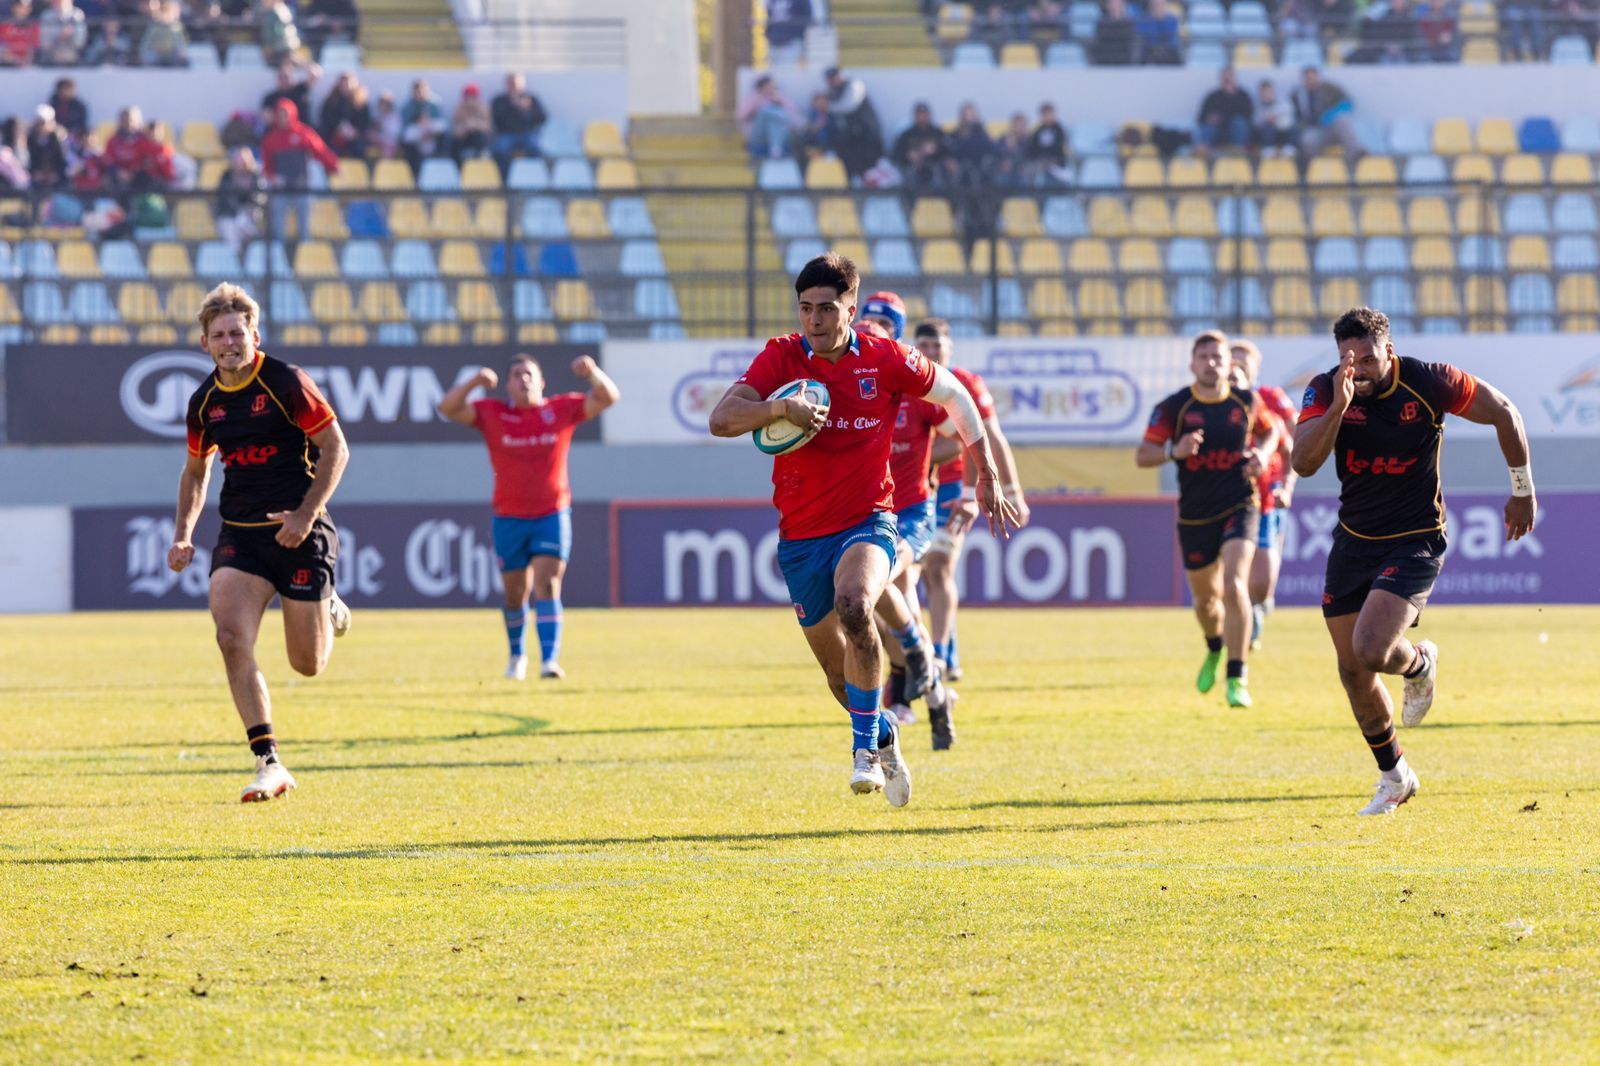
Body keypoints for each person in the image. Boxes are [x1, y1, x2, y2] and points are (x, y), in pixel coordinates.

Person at [708, 254, 1018, 803]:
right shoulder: (781, 357)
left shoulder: (887, 358)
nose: (815, 320)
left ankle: (864, 754)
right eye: (806, 309)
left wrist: (986, 469)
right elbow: (722, 419)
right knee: (835, 674)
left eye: (827, 309)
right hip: (800, 534)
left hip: (870, 520)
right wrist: (783, 410)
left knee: (856, 603)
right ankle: (881, 733)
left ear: (851, 308)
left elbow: (958, 397)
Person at [1292, 306, 1535, 815]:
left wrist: (1522, 490)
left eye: (1365, 356)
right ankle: (1395, 776)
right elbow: (1304, 464)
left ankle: (1419, 662)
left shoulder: (1430, 380)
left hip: (1416, 539)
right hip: (1353, 539)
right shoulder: (1325, 389)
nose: (1355, 366)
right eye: (1345, 358)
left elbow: (1505, 411)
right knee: (1352, 672)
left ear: (1389, 351)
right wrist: (1338, 406)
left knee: (1373, 649)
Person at [166, 283, 351, 803]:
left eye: (237, 333)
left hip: (300, 531)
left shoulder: (287, 382)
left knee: (307, 664)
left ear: (254, 334)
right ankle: (268, 761)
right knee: (230, 638)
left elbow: (336, 448)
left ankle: (326, 599)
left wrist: (305, 514)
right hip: (242, 535)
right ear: (205, 342)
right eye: (218, 335)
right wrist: (183, 534)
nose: (229, 342)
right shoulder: (204, 402)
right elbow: (196, 472)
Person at [437, 354, 620, 681]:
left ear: (542, 381)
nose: (524, 380)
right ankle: (517, 655)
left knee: (548, 583)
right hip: (508, 516)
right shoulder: (493, 413)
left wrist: (592, 373)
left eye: (529, 374)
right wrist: (475, 382)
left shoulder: (560, 410)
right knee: (514, 592)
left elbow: (608, 397)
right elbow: (447, 408)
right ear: (508, 384)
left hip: (552, 512)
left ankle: (549, 661)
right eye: (517, 375)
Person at [1135, 330, 1277, 709]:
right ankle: (1214, 648)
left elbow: (1271, 431)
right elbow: (1143, 454)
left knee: (1234, 586)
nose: (1212, 363)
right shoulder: (1174, 407)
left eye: (1219, 357)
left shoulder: (1246, 400)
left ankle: (1237, 677)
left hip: (1240, 503)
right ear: (1192, 364)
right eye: (1205, 357)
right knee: (1205, 601)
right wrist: (1173, 449)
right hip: (1196, 514)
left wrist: (1262, 455)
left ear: (1229, 364)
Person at [856, 298, 963, 738]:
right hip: (867, 511)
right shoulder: (851, 383)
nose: (872, 331)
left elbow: (958, 429)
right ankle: (930, 683)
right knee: (890, 605)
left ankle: (901, 692)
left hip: (914, 510)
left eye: (884, 324)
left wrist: (927, 461)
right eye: (867, 323)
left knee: (881, 586)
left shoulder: (914, 388)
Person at [917, 318, 1028, 690]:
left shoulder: (965, 386)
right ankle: (937, 648)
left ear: (950, 350)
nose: (931, 354)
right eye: (924, 348)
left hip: (957, 490)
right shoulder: (907, 383)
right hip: (913, 490)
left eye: (938, 348)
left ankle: (940, 652)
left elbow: (988, 437)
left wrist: (1011, 491)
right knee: (911, 576)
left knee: (938, 566)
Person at [1230, 338, 1298, 650]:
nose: (1238, 364)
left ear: (1256, 367)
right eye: (1233, 359)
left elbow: (1296, 442)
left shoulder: (1270, 398)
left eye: (1244, 360)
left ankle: (1257, 603)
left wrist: (1287, 485)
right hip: (1229, 496)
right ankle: (1243, 618)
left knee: (1262, 578)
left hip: (1267, 493)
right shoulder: (1212, 405)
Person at [258, 98, 339, 240]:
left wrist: (334, 165)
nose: (283, 118)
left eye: (286, 114)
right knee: (278, 227)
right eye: (280, 114)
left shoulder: (303, 133)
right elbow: (266, 166)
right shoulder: (271, 139)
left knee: (304, 227)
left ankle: (304, 254)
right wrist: (273, 178)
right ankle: (279, 257)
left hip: (302, 188)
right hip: (281, 190)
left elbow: (320, 151)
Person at [822, 67, 884, 182]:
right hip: (852, 137)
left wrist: (828, 107)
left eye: (835, 77)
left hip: (867, 134)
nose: (833, 81)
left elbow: (848, 106)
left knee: (868, 166)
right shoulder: (832, 92)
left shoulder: (854, 85)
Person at [1290, 67, 1363, 165]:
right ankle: (1316, 168)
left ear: (1318, 77)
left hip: (1333, 128)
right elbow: (1295, 118)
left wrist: (1332, 115)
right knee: (1307, 139)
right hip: (1315, 131)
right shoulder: (1297, 95)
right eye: (1308, 79)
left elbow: (1348, 104)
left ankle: (1356, 156)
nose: (1311, 81)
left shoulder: (1330, 89)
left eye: (1313, 78)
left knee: (1342, 120)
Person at [213, 146, 267, 252]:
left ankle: (247, 254)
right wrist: (237, 212)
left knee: (249, 227)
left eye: (242, 159)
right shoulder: (227, 176)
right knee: (231, 226)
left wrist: (250, 209)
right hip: (230, 214)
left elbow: (260, 198)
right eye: (237, 159)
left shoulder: (256, 176)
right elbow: (224, 199)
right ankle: (236, 256)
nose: (239, 162)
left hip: (251, 214)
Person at [490, 72, 546, 172]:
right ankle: (505, 180)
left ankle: (531, 175)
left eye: (516, 84)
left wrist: (526, 109)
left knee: (535, 150)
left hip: (527, 133)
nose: (514, 87)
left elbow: (541, 118)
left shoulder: (531, 100)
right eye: (511, 83)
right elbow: (495, 118)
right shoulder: (500, 100)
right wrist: (511, 105)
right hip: (507, 134)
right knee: (500, 151)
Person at [738, 75, 802, 159]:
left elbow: (795, 114)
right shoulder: (752, 99)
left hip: (782, 136)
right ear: (761, 87)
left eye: (774, 87)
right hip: (759, 137)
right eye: (770, 86)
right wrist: (757, 106)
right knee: (766, 111)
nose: (773, 89)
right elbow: (741, 117)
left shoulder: (780, 98)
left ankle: (775, 148)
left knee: (773, 119)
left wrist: (780, 104)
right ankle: (776, 148)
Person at [891, 101, 950, 188]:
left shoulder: (938, 133)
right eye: (919, 114)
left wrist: (935, 149)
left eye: (924, 114)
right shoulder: (906, 134)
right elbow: (896, 154)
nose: (922, 117)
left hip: (935, 168)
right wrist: (909, 155)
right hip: (912, 169)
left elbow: (948, 150)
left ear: (929, 115)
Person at [1196, 68, 1254, 154]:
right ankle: (1203, 152)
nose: (1227, 80)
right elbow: (1200, 117)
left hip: (1236, 131)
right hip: (1217, 131)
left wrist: (1223, 117)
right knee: (1209, 125)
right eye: (1225, 78)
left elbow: (1248, 116)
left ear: (1234, 78)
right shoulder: (1212, 97)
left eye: (1229, 77)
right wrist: (1210, 118)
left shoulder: (1243, 96)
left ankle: (1238, 151)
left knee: (1239, 122)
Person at [138, 0, 188, 66]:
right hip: (156, 53)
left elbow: (181, 43)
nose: (165, 17)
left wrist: (182, 52)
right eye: (163, 14)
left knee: (179, 58)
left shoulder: (176, 27)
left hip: (170, 54)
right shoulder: (153, 27)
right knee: (150, 57)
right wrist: (142, 53)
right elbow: (146, 41)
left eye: (168, 15)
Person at [450, 82, 492, 162]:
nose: (470, 99)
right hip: (464, 137)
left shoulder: (483, 108)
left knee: (482, 139)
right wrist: (465, 127)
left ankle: (481, 162)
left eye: (473, 96)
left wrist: (475, 124)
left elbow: (487, 127)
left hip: (478, 137)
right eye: (468, 96)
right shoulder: (459, 108)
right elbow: (455, 129)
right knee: (453, 144)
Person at [1253, 79, 1296, 156]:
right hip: (1266, 135)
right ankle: (1268, 150)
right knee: (1267, 127)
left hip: (1283, 132)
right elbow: (1255, 122)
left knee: (1292, 128)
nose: (1266, 94)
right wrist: (1267, 120)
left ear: (1273, 91)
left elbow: (1289, 119)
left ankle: (1289, 150)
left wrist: (1276, 120)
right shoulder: (1257, 106)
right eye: (1264, 92)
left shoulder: (1284, 102)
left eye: (1268, 91)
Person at [37, 0, 87, 65]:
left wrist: (71, 34)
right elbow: (45, 44)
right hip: (50, 61)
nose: (60, 2)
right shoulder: (46, 16)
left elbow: (80, 42)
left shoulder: (78, 15)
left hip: (74, 59)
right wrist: (60, 36)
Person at [765, 0, 812, 64]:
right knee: (774, 70)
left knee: (788, 70)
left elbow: (807, 18)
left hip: (792, 42)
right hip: (774, 41)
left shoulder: (801, 1)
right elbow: (769, 16)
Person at [1092, 0, 1136, 65]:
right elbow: (1101, 41)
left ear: (1123, 6)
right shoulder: (1102, 23)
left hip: (1124, 59)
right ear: (1108, 6)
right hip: (1105, 58)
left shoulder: (1129, 23)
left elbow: (1128, 40)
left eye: (1117, 4)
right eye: (1112, 3)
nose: (1114, 6)